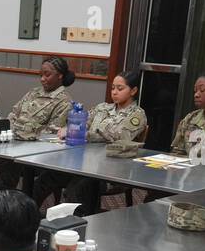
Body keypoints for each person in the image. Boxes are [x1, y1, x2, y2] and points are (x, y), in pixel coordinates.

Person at [53, 70, 149, 215]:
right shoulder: (102, 108)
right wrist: (70, 128)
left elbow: (118, 136)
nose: (114, 92)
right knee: (47, 178)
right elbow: (83, 123)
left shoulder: (137, 114)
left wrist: (83, 133)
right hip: (84, 160)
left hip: (111, 169)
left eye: (120, 88)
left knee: (78, 186)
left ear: (133, 91)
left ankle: (78, 220)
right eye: (113, 88)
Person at [0, 56, 75, 196]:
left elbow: (51, 134)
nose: (42, 79)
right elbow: (13, 114)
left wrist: (23, 130)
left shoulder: (64, 102)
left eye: (47, 75)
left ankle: (6, 201)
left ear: (60, 76)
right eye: (41, 75)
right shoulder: (33, 93)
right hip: (14, 143)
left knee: (10, 165)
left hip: (37, 153)